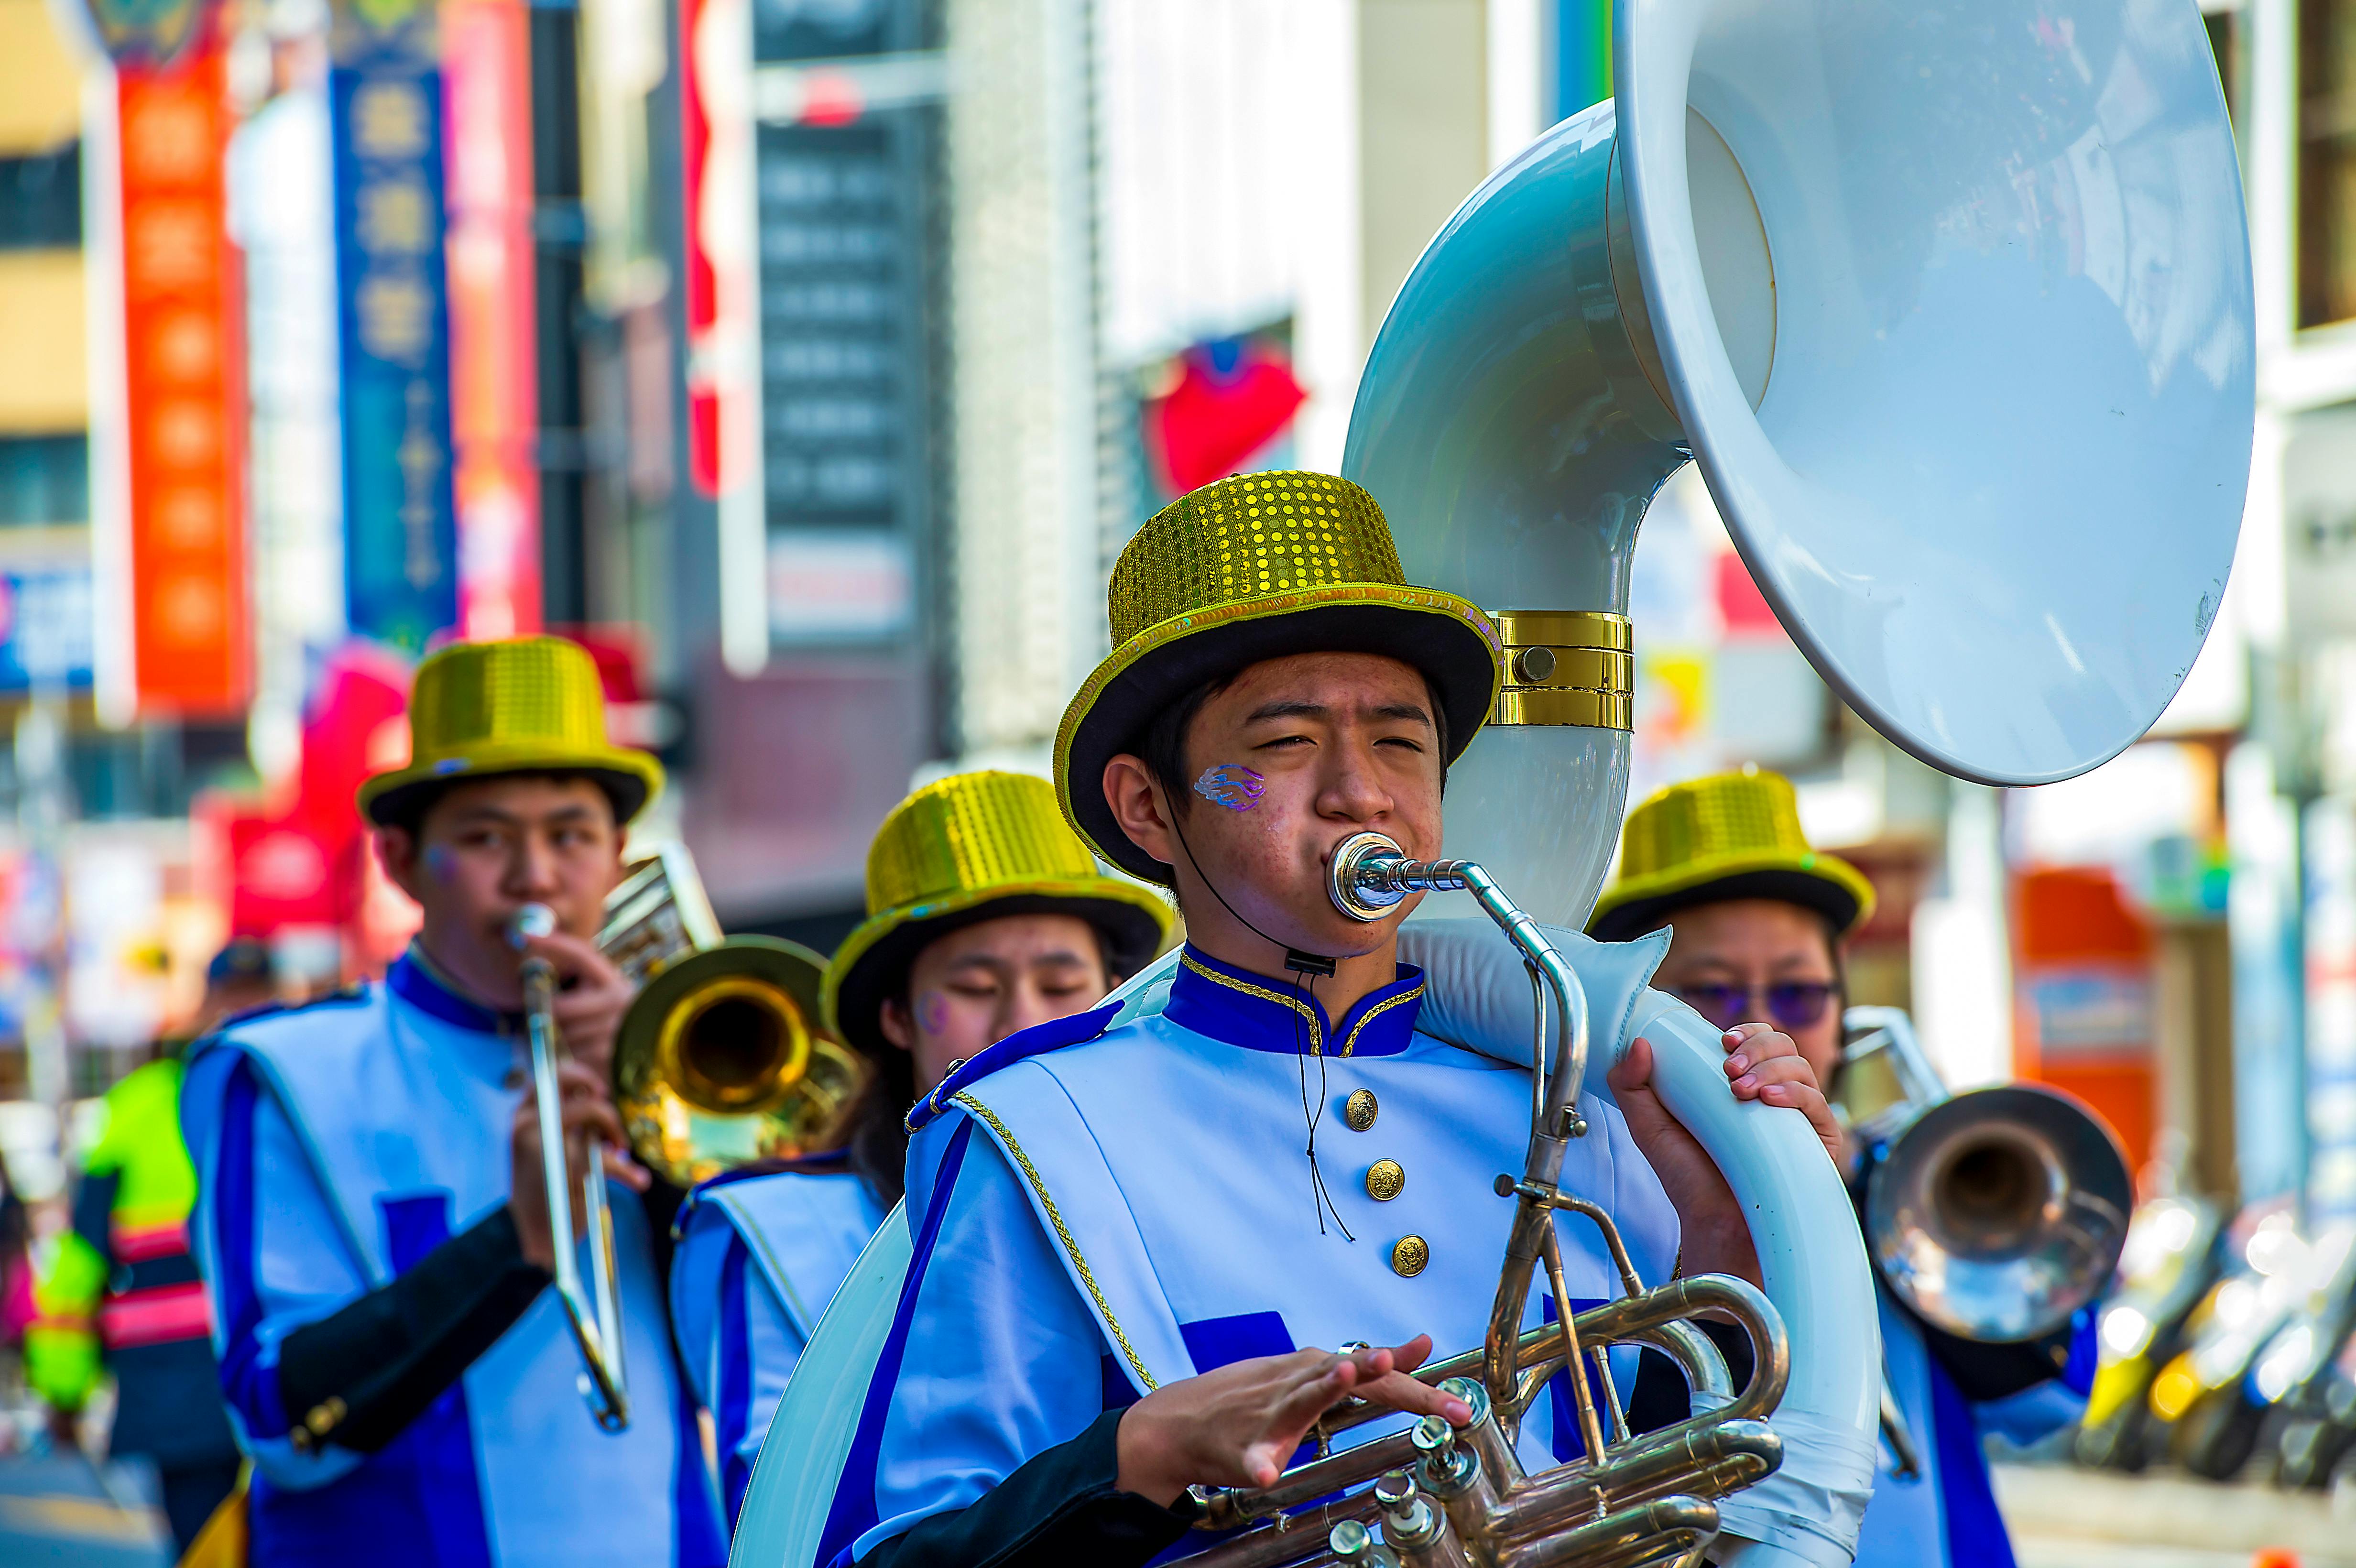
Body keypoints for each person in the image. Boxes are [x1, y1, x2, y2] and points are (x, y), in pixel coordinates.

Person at [809, 471, 1845, 1568]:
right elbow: (900, 1550)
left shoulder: (1573, 1097)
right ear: (1148, 806)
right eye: (1286, 742)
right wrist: (1139, 1451)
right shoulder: (1044, 1127)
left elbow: (1657, 1483)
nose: (1362, 791)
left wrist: (1739, 1241)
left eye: (1401, 741)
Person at [179, 636, 726, 1567]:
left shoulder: (687, 1077)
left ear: (618, 855)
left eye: (571, 835)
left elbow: (772, 1360)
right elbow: (277, 1418)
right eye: (485, 838)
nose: (535, 876)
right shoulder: (289, 1073)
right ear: (399, 861)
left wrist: (669, 1130)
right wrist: (516, 1243)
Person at [1589, 766, 2094, 1568]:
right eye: (1711, 992)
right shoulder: (1583, 1205)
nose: (1760, 1024)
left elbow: (2048, 1402)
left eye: (1798, 995)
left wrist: (1865, 1198)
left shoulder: (1902, 1186)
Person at [668, 768, 1171, 1522]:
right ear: (898, 1017)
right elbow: (786, 1522)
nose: (1022, 1024)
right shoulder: (778, 1229)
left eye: (1062, 985)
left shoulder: (1173, 1189)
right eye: (975, 988)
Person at [24, 938, 275, 1553]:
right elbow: (82, 1259)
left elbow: (78, 1261)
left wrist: (63, 1393)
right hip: (193, 1387)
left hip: (247, 1378)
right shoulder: (138, 1106)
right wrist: (62, 1386)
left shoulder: (296, 1098)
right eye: (234, 996)